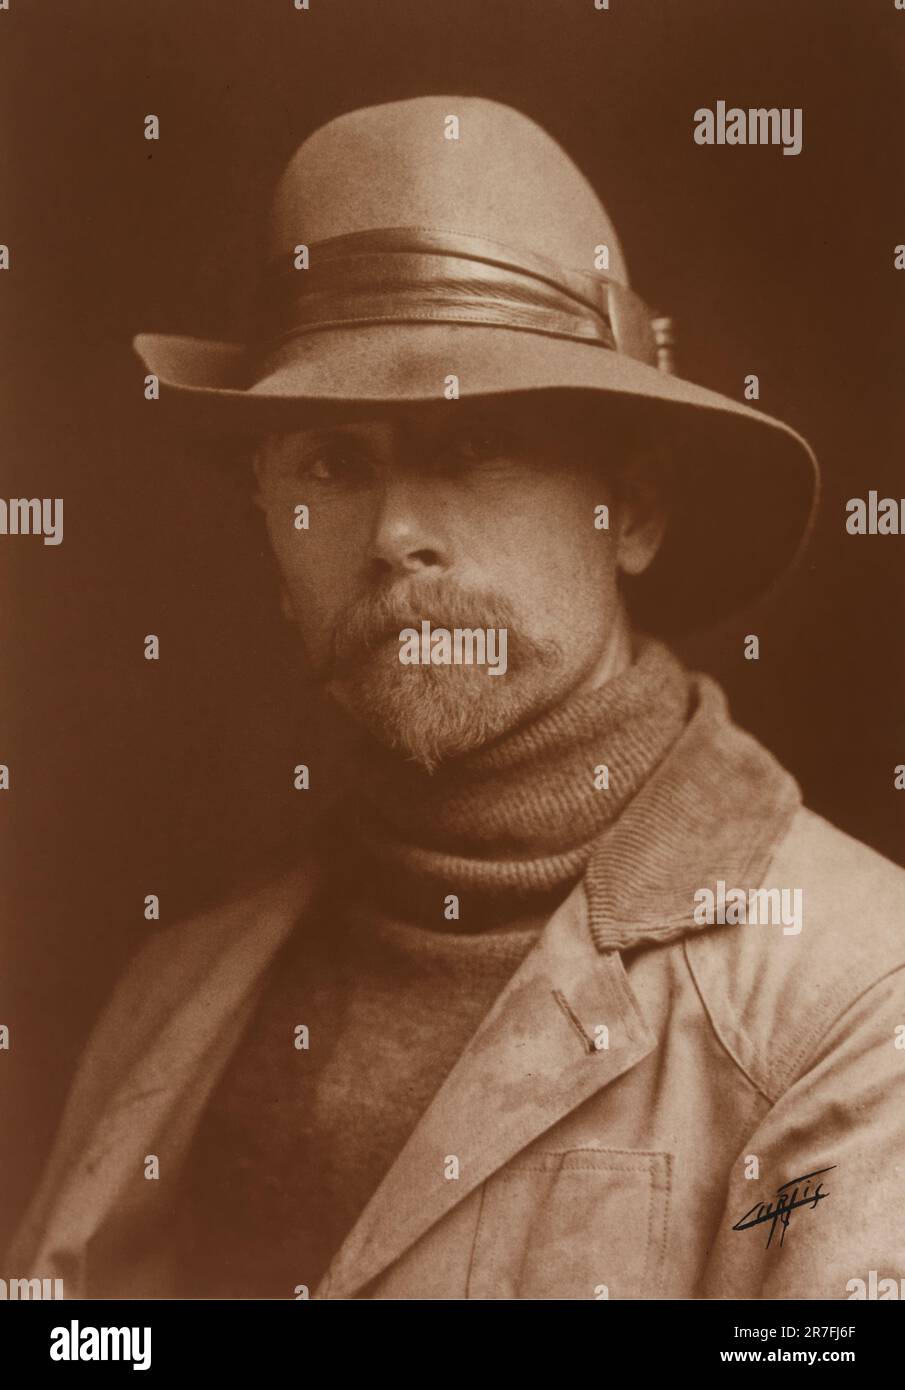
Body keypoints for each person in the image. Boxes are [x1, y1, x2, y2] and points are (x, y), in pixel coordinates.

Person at [7, 95, 905, 1301]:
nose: (395, 538)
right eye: (334, 465)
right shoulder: (178, 991)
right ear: (271, 541)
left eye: (471, 448)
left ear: (628, 510)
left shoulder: (854, 993)